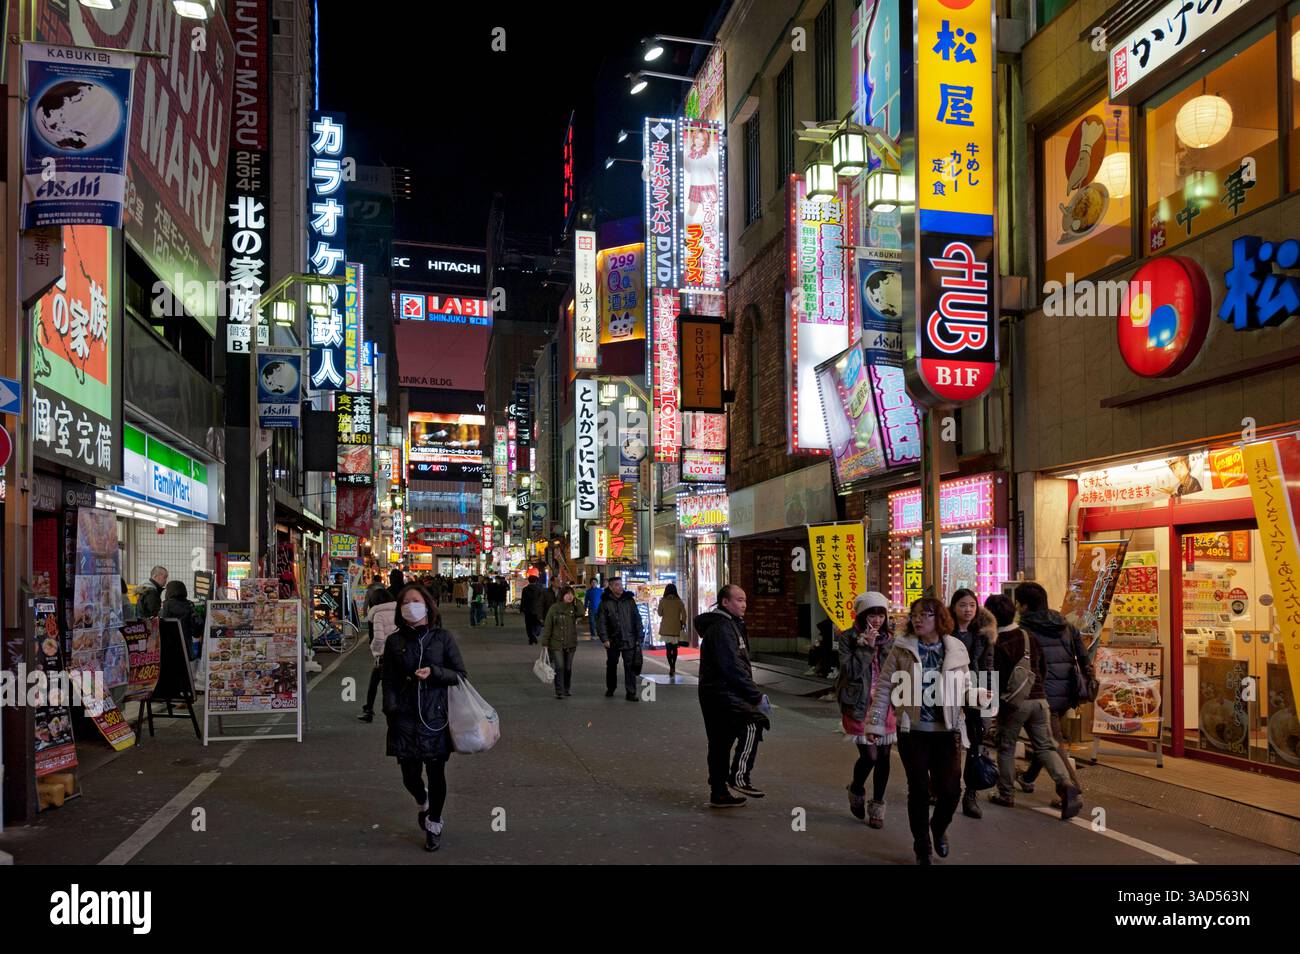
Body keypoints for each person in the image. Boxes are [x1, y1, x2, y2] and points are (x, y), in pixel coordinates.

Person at [867, 596, 983, 865]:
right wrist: (874, 722)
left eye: (925, 615)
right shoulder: (902, 647)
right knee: (918, 789)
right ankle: (922, 847)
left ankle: (939, 829)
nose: (918, 619)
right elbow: (885, 686)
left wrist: (977, 695)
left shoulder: (955, 648)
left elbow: (965, 686)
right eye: (915, 614)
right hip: (913, 731)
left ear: (939, 618)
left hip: (947, 730)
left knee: (952, 790)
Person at [382, 583, 467, 852]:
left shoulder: (442, 638)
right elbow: (388, 680)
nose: (410, 606)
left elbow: (460, 674)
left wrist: (435, 672)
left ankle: (434, 823)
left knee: (435, 771)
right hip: (404, 716)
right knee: (409, 775)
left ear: (427, 605)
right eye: (405, 602)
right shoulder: (394, 641)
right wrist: (390, 710)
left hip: (434, 715)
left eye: (415, 600)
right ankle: (423, 802)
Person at [985, 594, 1082, 819]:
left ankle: (1006, 793)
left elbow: (995, 678)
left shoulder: (998, 642)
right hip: (1040, 700)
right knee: (1046, 746)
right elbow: (1043, 667)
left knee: (1007, 746)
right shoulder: (1028, 636)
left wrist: (994, 704)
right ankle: (1065, 784)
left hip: (1014, 704)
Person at [1014, 581, 1092, 810]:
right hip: (1066, 691)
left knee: (1051, 741)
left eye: (1018, 603)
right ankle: (1028, 778)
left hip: (1040, 693)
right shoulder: (1064, 623)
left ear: (1025, 606)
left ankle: (1071, 790)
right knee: (1045, 736)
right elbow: (1083, 656)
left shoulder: (1024, 629)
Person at [696, 585, 768, 807]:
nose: (744, 604)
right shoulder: (723, 628)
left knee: (719, 743)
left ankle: (719, 793)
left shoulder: (730, 624)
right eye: (739, 600)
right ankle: (739, 777)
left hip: (716, 692)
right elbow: (732, 665)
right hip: (722, 692)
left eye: (745, 599)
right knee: (755, 722)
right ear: (725, 602)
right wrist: (755, 695)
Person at [838, 592, 895, 830]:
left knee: (883, 757)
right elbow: (850, 672)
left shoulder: (891, 639)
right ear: (862, 615)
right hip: (859, 706)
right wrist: (866, 648)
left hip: (885, 705)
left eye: (881, 614)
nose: (877, 619)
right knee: (869, 756)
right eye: (872, 614)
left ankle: (878, 807)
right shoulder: (848, 638)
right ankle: (857, 788)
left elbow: (896, 670)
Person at [949, 588, 997, 820]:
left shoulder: (983, 634)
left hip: (975, 693)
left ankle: (971, 794)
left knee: (975, 743)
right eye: (962, 605)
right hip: (946, 692)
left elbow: (988, 666)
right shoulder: (944, 632)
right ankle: (944, 789)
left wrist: (988, 698)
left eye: (971, 605)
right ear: (953, 607)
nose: (967, 609)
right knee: (947, 742)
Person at [595, 577, 645, 700]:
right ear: (611, 587)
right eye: (617, 585)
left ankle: (631, 692)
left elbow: (637, 618)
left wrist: (640, 635)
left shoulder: (629, 600)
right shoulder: (605, 602)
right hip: (613, 640)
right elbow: (601, 622)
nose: (620, 587)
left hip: (629, 638)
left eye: (621, 584)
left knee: (630, 666)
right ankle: (611, 687)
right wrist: (605, 638)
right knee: (612, 664)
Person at [359, 588, 398, 722]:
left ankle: (369, 710)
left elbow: (379, 638)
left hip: (384, 655)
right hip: (400, 652)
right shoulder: (399, 610)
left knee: (374, 683)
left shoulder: (378, 614)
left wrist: (375, 651)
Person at [542, 585, 580, 699]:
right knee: (560, 666)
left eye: (572, 594)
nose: (570, 596)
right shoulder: (554, 608)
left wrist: (577, 601)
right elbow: (548, 625)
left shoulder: (574, 608)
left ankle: (566, 688)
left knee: (568, 667)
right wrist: (545, 643)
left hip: (570, 642)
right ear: (562, 595)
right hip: (556, 642)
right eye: (567, 594)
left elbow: (582, 613)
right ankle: (559, 690)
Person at [657, 583, 689, 678]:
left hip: (666, 627)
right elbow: (684, 614)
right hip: (676, 627)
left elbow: (659, 613)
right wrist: (683, 623)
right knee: (674, 649)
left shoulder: (663, 601)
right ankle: (673, 666)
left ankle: (670, 666)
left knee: (668, 649)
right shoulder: (679, 601)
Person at [160, 580, 197, 659]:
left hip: (171, 641)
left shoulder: (167, 604)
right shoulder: (190, 604)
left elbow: (164, 621)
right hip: (187, 640)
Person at [521, 575, 546, 645]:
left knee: (528, 624)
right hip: (537, 610)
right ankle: (534, 635)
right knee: (537, 623)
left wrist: (522, 609)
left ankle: (531, 637)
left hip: (528, 610)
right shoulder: (540, 589)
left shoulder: (525, 589)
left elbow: (523, 600)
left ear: (529, 581)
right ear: (536, 581)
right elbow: (542, 600)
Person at [584, 575, 604, 641]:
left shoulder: (600, 591)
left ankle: (599, 634)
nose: (593, 583)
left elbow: (603, 600)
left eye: (595, 582)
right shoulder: (588, 591)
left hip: (599, 609)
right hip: (591, 609)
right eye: (592, 582)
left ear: (597, 583)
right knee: (592, 622)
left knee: (599, 623)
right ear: (590, 583)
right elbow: (586, 600)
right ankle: (593, 634)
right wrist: (585, 608)